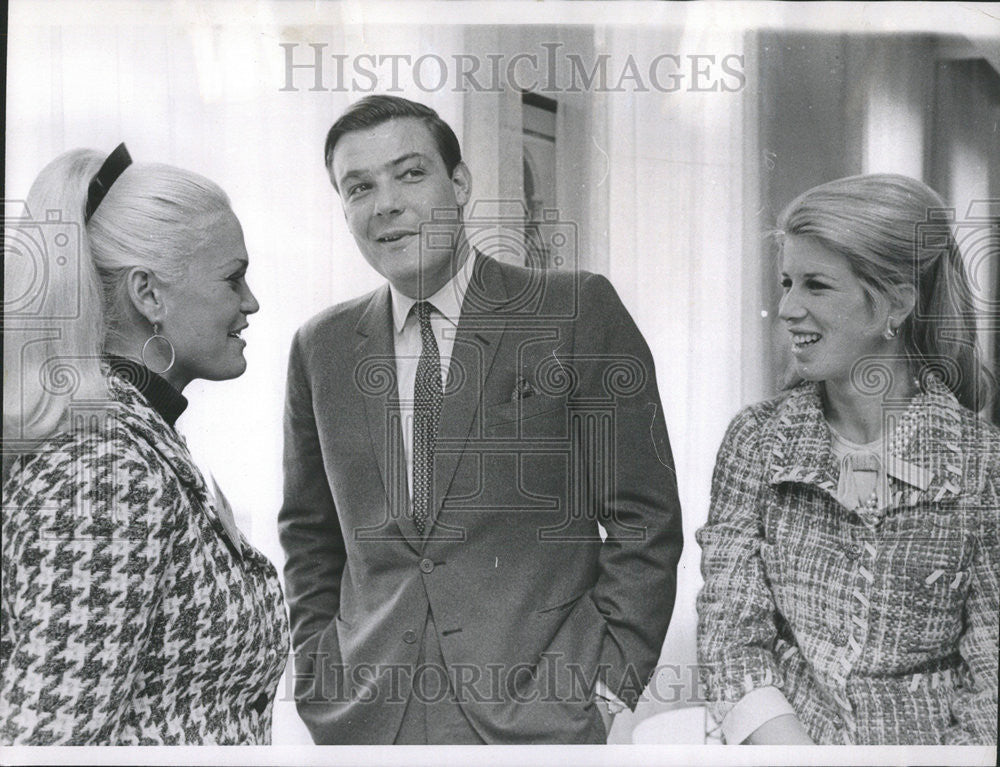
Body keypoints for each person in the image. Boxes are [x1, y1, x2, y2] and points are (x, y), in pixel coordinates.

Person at [279, 95, 683, 744]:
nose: (385, 202)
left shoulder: (574, 310)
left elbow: (645, 518)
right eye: (360, 186)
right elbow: (309, 535)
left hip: (541, 719)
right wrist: (319, 673)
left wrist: (605, 687)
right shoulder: (318, 346)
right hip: (367, 719)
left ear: (460, 183)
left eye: (410, 173)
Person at [696, 173, 998, 745]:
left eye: (816, 285)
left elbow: (993, 678)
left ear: (897, 303)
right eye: (787, 282)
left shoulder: (985, 465)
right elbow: (730, 633)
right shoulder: (755, 442)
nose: (786, 308)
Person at [1, 145, 289, 744]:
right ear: (148, 295)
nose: (250, 301)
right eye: (232, 277)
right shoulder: (106, 472)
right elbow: (48, 745)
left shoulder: (130, 443)